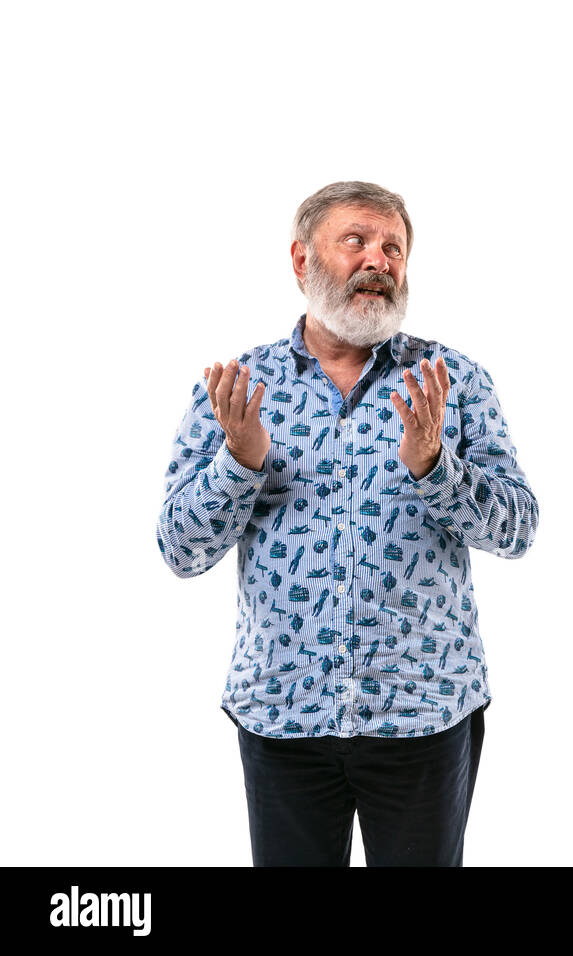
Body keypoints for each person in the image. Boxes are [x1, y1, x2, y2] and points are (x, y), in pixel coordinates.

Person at [156, 181, 539, 866]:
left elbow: (518, 531)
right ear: (301, 261)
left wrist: (435, 468)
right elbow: (180, 551)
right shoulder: (238, 387)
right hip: (283, 719)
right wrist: (238, 464)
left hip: (425, 714)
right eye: (356, 241)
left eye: (394, 248)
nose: (379, 260)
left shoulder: (453, 382)